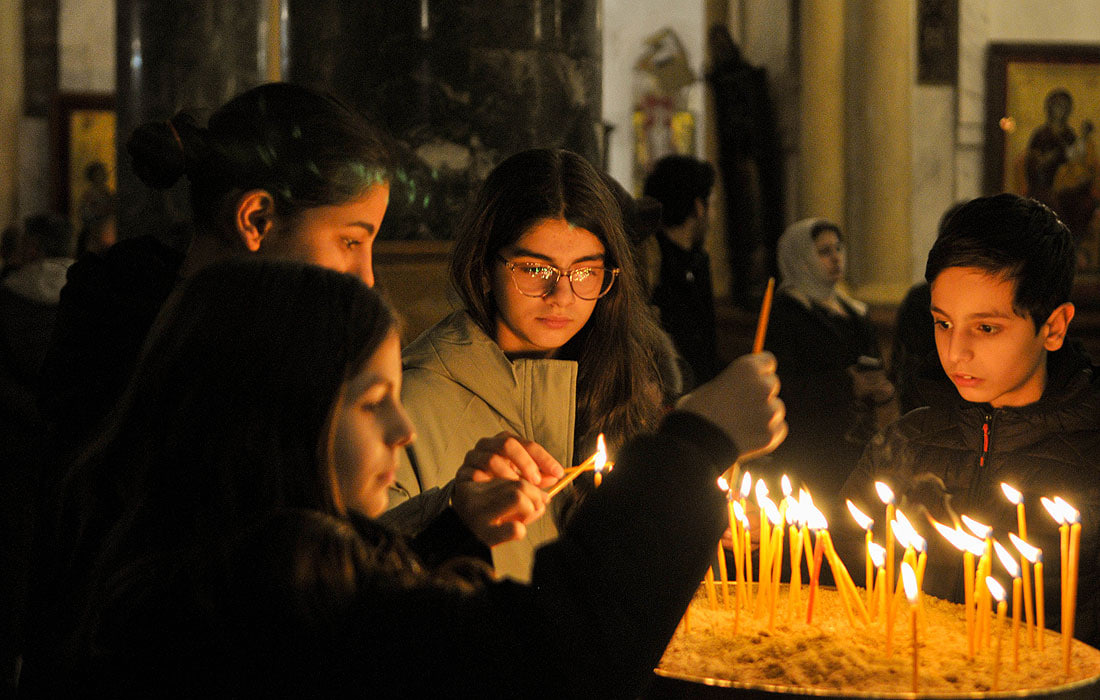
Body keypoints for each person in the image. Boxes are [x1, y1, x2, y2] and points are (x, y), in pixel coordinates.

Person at [21, 259, 786, 698]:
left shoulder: (182, 556)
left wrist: (456, 532)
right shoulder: (273, 593)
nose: (404, 429)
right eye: (373, 401)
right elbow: (547, 666)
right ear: (281, 412)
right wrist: (693, 444)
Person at [384, 148, 670, 580]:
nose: (562, 295)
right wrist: (453, 512)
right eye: (536, 269)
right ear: (484, 267)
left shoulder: (620, 382)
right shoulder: (413, 400)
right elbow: (362, 569)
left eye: (585, 271)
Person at [841, 193, 1100, 646]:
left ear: (1054, 327)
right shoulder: (905, 441)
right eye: (943, 323)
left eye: (986, 328)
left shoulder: (1090, 455)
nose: (956, 352)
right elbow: (836, 568)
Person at [765, 218, 895, 500]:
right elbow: (782, 384)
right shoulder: (787, 313)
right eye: (824, 252)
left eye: (838, 248)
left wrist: (880, 385)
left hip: (855, 442)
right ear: (800, 259)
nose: (836, 258)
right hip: (811, 447)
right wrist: (846, 385)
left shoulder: (853, 309)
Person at [643, 154, 720, 387]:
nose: (712, 215)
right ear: (699, 207)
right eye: (712, 205)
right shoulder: (649, 260)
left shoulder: (697, 260)